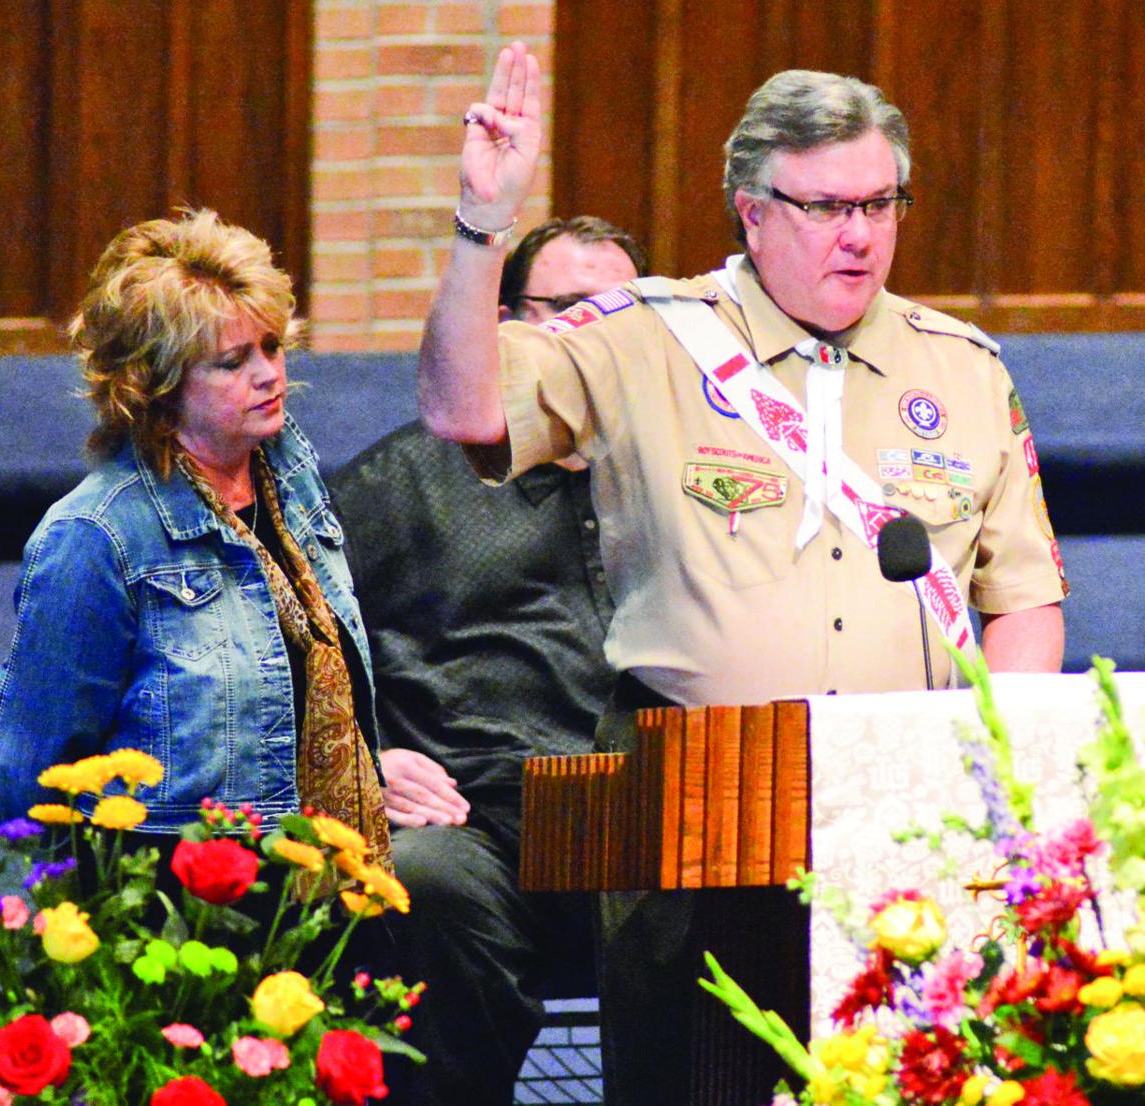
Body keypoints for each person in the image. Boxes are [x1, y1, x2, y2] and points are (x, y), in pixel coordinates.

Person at [417, 43, 1068, 1102]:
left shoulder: (964, 367)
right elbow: (461, 408)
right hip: (691, 796)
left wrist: (995, 770)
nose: (858, 233)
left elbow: (1025, 600)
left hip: (907, 806)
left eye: (879, 202)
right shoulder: (644, 339)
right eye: (823, 206)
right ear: (751, 208)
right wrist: (484, 231)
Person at [329, 215, 645, 1106]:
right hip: (481, 824)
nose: (598, 335)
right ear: (505, 325)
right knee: (423, 881)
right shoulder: (407, 480)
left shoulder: (689, 476)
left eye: (623, 313)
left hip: (656, 820)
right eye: (572, 309)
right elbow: (289, 642)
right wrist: (359, 761)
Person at [0, 209, 390, 869]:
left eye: (272, 346)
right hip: (177, 900)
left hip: (315, 878)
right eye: (232, 362)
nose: (267, 374)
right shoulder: (94, 536)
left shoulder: (291, 476)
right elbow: (31, 778)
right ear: (158, 384)